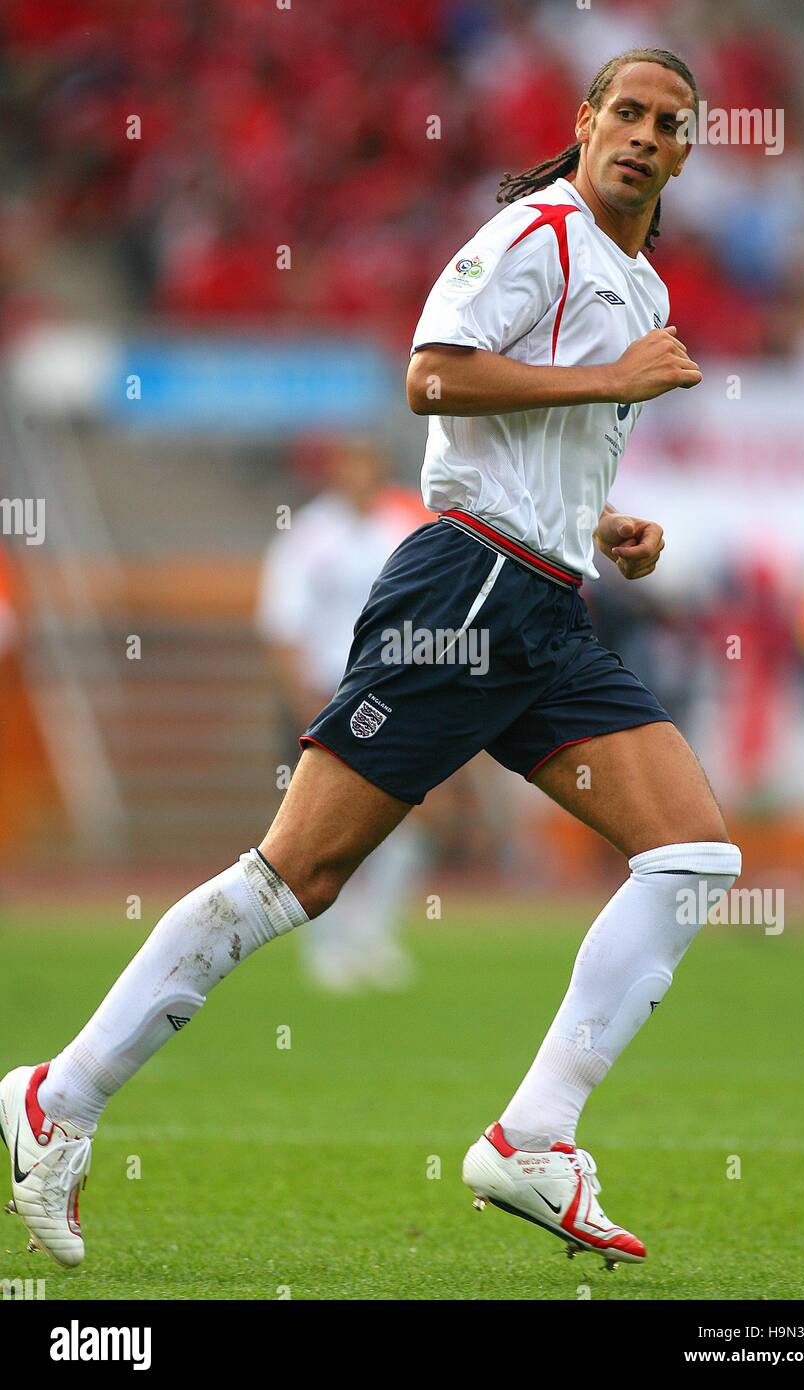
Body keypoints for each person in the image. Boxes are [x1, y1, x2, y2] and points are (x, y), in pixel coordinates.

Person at [1, 49, 740, 1272]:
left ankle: (533, 1137)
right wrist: (612, 381)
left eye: (670, 123)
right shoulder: (536, 234)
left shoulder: (641, 285)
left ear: (685, 149)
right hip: (466, 589)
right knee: (298, 874)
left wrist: (604, 527)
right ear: (583, 121)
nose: (645, 134)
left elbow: (544, 447)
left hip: (546, 600)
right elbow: (429, 379)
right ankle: (56, 1097)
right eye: (625, 111)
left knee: (692, 851)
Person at [256, 438, 429, 990]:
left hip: (389, 692)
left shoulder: (399, 530)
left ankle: (374, 938)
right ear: (335, 470)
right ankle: (324, 949)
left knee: (404, 821)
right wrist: (306, 706)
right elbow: (283, 624)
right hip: (328, 693)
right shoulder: (308, 537)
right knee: (316, 827)